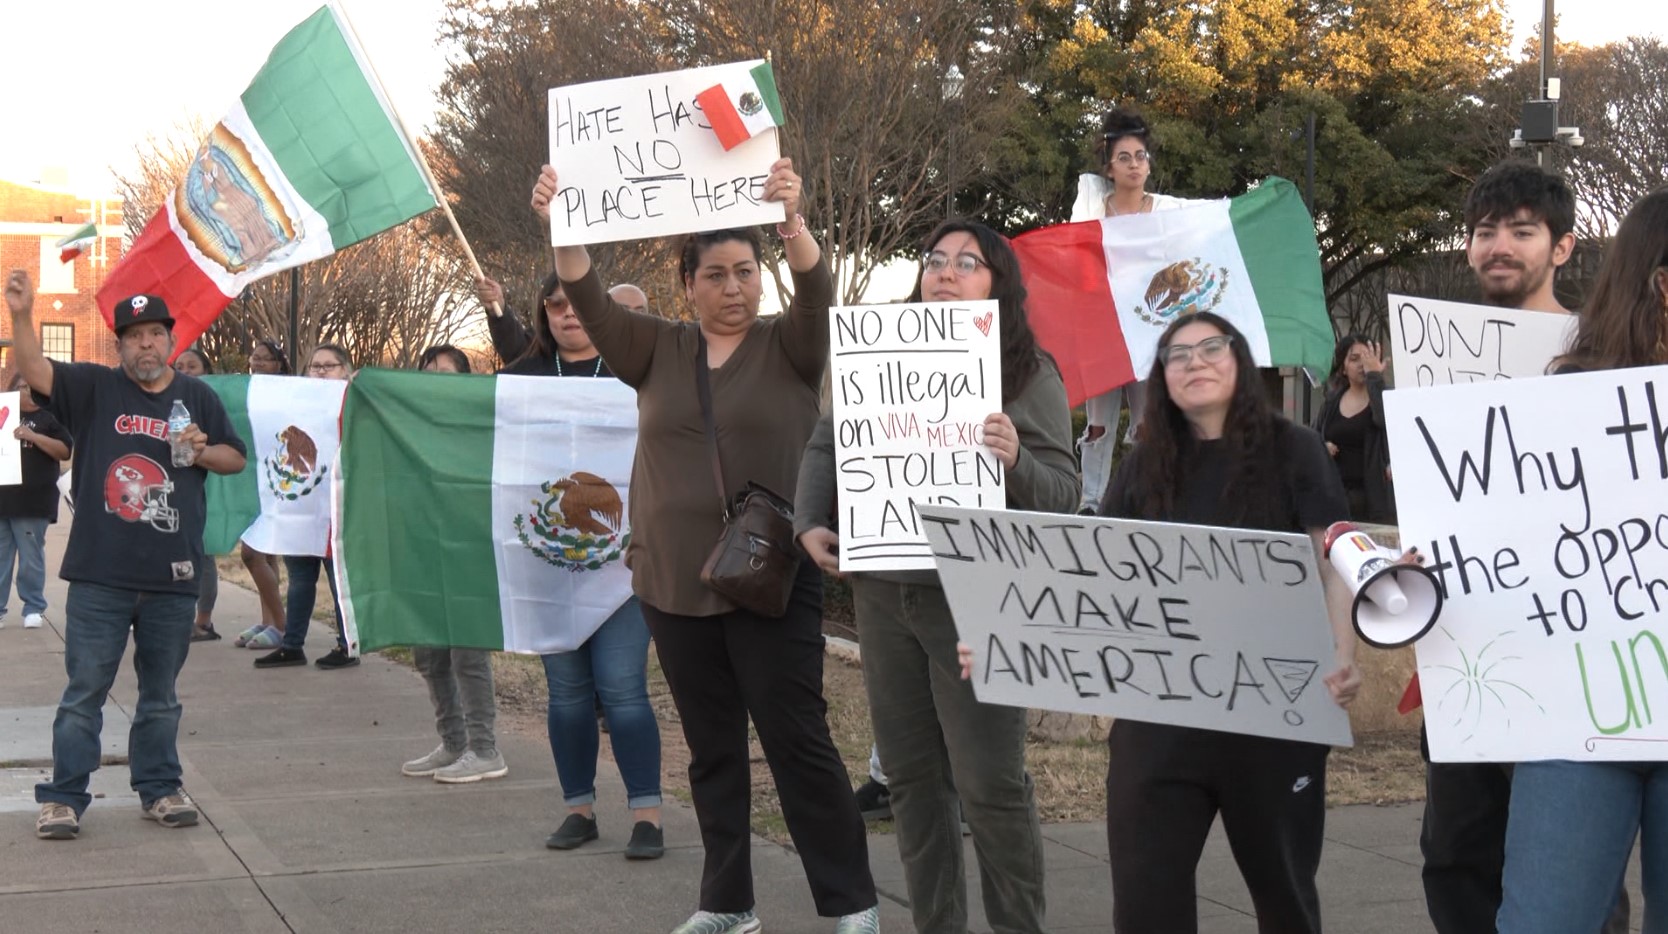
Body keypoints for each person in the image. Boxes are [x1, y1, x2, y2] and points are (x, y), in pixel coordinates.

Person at [533, 159, 879, 934]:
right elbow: (585, 290)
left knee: (798, 744)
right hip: (671, 584)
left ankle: (852, 905)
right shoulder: (655, 348)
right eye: (715, 273)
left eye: (746, 271)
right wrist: (565, 223)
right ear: (686, 282)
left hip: (771, 582)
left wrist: (792, 221)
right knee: (713, 750)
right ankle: (728, 904)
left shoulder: (790, 347)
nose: (734, 287)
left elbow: (817, 292)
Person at [795, 220, 1078, 933]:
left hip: (978, 600)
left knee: (989, 785)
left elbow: (1064, 495)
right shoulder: (876, 351)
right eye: (935, 260)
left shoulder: (1028, 371)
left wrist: (1015, 459)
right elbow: (829, 441)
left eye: (968, 263)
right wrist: (809, 519)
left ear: (997, 285)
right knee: (915, 784)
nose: (946, 272)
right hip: (885, 593)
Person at [1096, 312, 1360, 932]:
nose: (1195, 362)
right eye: (1177, 355)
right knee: (1144, 905)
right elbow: (1095, 574)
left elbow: (1335, 560)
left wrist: (1343, 655)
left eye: (1211, 347)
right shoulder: (1141, 467)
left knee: (1284, 896)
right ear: (1162, 378)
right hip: (1160, 718)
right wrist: (1013, 646)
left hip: (1274, 716)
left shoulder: (1293, 449)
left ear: (1240, 360)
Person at [1420, 159, 1624, 934]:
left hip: (1574, 656)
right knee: (1456, 855)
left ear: (1563, 247)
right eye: (1484, 231)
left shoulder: (1608, 354)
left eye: (1522, 231)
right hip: (1466, 648)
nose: (1499, 246)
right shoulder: (1440, 358)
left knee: (1580, 871)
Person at [5, 271, 247, 841]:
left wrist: (202, 450)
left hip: (172, 575)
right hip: (100, 575)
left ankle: (160, 788)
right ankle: (64, 797)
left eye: (155, 334)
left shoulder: (198, 397)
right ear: (119, 345)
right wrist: (20, 315)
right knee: (84, 691)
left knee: (160, 694)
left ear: (171, 340)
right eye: (133, 335)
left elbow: (235, 458)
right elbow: (38, 371)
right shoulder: (93, 388)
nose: (146, 344)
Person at [1495, 188, 1668, 933]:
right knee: (1544, 919)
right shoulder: (1569, 396)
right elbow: (1515, 551)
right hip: (1581, 713)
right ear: (1658, 278)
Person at [1072, 107, 1196, 514]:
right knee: (1098, 424)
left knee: (1147, 423)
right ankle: (1091, 503)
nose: (1134, 165)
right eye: (1124, 157)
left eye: (1140, 156)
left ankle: (1143, 501)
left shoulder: (1168, 211)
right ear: (1109, 166)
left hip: (1147, 334)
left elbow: (1202, 236)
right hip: (1100, 333)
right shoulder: (1090, 210)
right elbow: (1072, 258)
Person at [398, 346, 509, 784]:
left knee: (467, 650)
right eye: (429, 372)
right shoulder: (407, 423)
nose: (437, 378)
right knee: (428, 652)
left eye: (448, 372)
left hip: (471, 546)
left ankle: (485, 749)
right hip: (424, 547)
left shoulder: (479, 420)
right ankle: (454, 742)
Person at [253, 344, 355, 670]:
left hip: (337, 506)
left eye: (330, 366)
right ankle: (292, 644)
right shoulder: (293, 404)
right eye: (315, 366)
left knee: (339, 581)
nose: (321, 372)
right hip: (302, 503)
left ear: (347, 371)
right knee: (300, 578)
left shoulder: (355, 405)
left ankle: (348, 645)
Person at [0, 372, 71, 631]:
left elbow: (64, 450)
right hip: (2, 499)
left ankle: (33, 607)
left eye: (32, 387)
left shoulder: (49, 417)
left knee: (31, 557)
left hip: (32, 500)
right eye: (22, 387)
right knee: (1, 558)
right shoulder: (3, 412)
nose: (27, 392)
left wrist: (34, 437)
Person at [234, 339, 290, 650]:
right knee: (266, 553)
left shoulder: (287, 392)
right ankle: (268, 619)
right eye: (254, 357)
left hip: (277, 479)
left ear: (279, 364)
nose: (257, 363)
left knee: (251, 553)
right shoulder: (246, 389)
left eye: (265, 359)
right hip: (251, 478)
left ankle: (281, 625)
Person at [1311, 335, 1393, 523]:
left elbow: (1383, 419)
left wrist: (1375, 378)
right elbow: (1312, 440)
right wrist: (1323, 446)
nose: (1361, 364)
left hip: (1373, 504)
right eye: (1354, 359)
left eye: (1366, 358)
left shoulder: (1384, 397)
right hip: (1334, 501)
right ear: (1343, 368)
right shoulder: (1331, 403)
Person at [172, 349, 223, 641]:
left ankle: (203, 621)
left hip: (209, 485)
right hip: (176, 488)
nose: (185, 371)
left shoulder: (212, 400)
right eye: (179, 366)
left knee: (203, 554)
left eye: (193, 366)